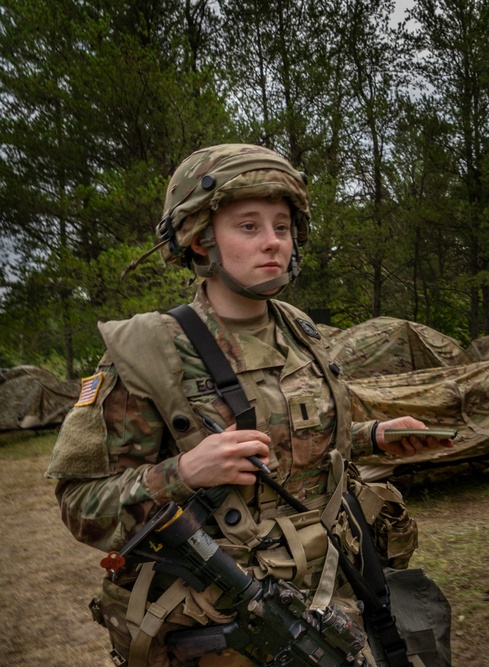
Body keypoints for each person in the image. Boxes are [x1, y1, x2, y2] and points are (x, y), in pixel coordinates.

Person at [46, 144, 451, 667]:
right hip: (224, 623)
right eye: (249, 226)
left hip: (331, 597)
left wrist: (372, 435)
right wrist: (184, 471)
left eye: (282, 227)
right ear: (198, 238)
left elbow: (286, 447)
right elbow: (79, 504)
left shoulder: (298, 331)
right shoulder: (146, 352)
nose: (273, 243)